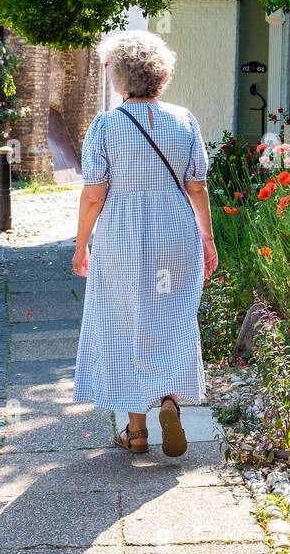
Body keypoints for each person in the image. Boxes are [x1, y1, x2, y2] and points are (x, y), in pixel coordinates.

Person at [71, 30, 218, 457]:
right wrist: (207, 238)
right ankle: (169, 400)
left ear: (119, 79)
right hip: (176, 236)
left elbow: (94, 195)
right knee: (172, 315)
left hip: (122, 240)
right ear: (161, 74)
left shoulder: (105, 126)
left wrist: (82, 246)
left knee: (124, 324)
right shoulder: (184, 119)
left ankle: (135, 432)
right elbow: (198, 186)